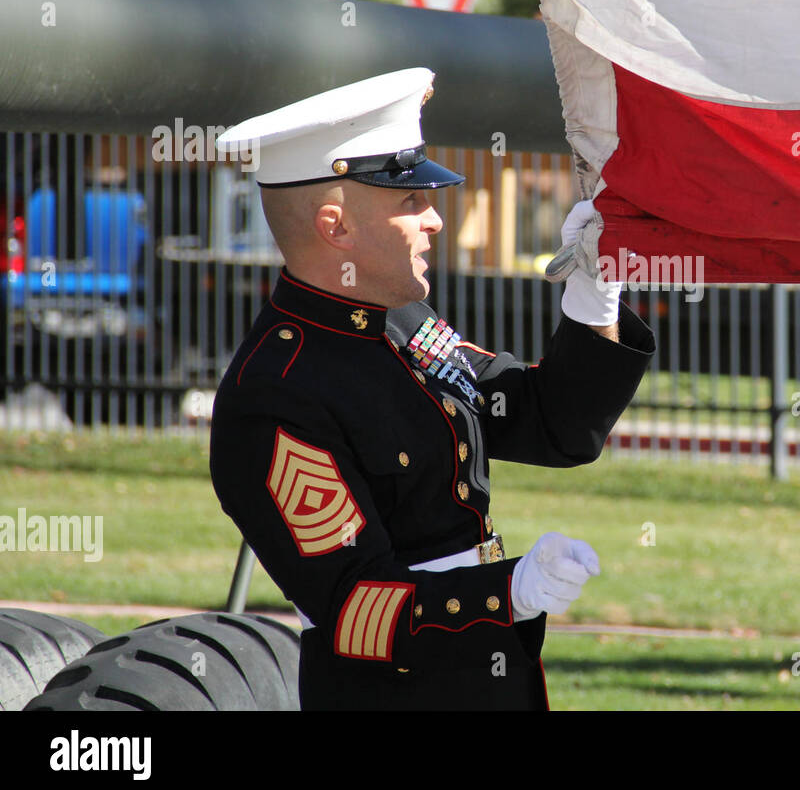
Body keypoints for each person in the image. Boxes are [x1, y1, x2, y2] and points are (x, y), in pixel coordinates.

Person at [208, 68, 654, 709]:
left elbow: (553, 425)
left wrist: (593, 298)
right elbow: (355, 608)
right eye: (410, 202)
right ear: (336, 227)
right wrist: (510, 594)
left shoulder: (400, 321)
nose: (436, 220)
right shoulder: (276, 394)